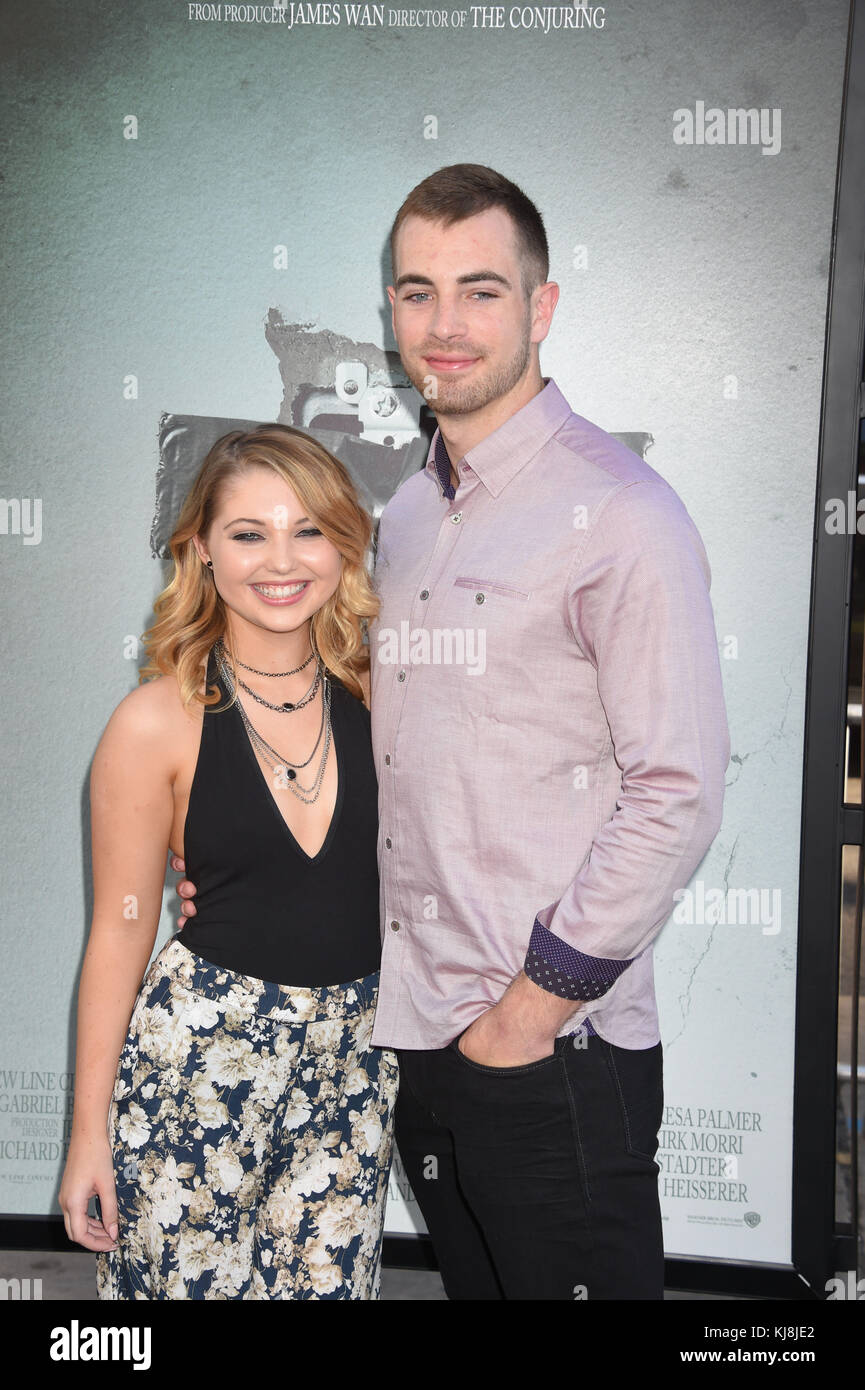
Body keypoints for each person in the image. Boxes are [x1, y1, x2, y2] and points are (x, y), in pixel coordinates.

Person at [176, 164, 731, 1300]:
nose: (444, 323)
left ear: (540, 307)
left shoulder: (622, 511)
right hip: (418, 1033)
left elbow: (676, 788)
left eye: (480, 290)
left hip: (550, 1047)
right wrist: (246, 863)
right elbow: (402, 757)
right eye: (417, 291)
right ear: (390, 314)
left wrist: (527, 1016)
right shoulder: (415, 511)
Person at [58, 424, 398, 1300]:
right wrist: (87, 1135)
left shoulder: (390, 695)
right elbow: (117, 936)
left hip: (356, 1066)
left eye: (308, 530)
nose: (280, 560)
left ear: (344, 542)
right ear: (201, 551)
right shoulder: (153, 722)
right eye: (248, 533)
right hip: (198, 1068)